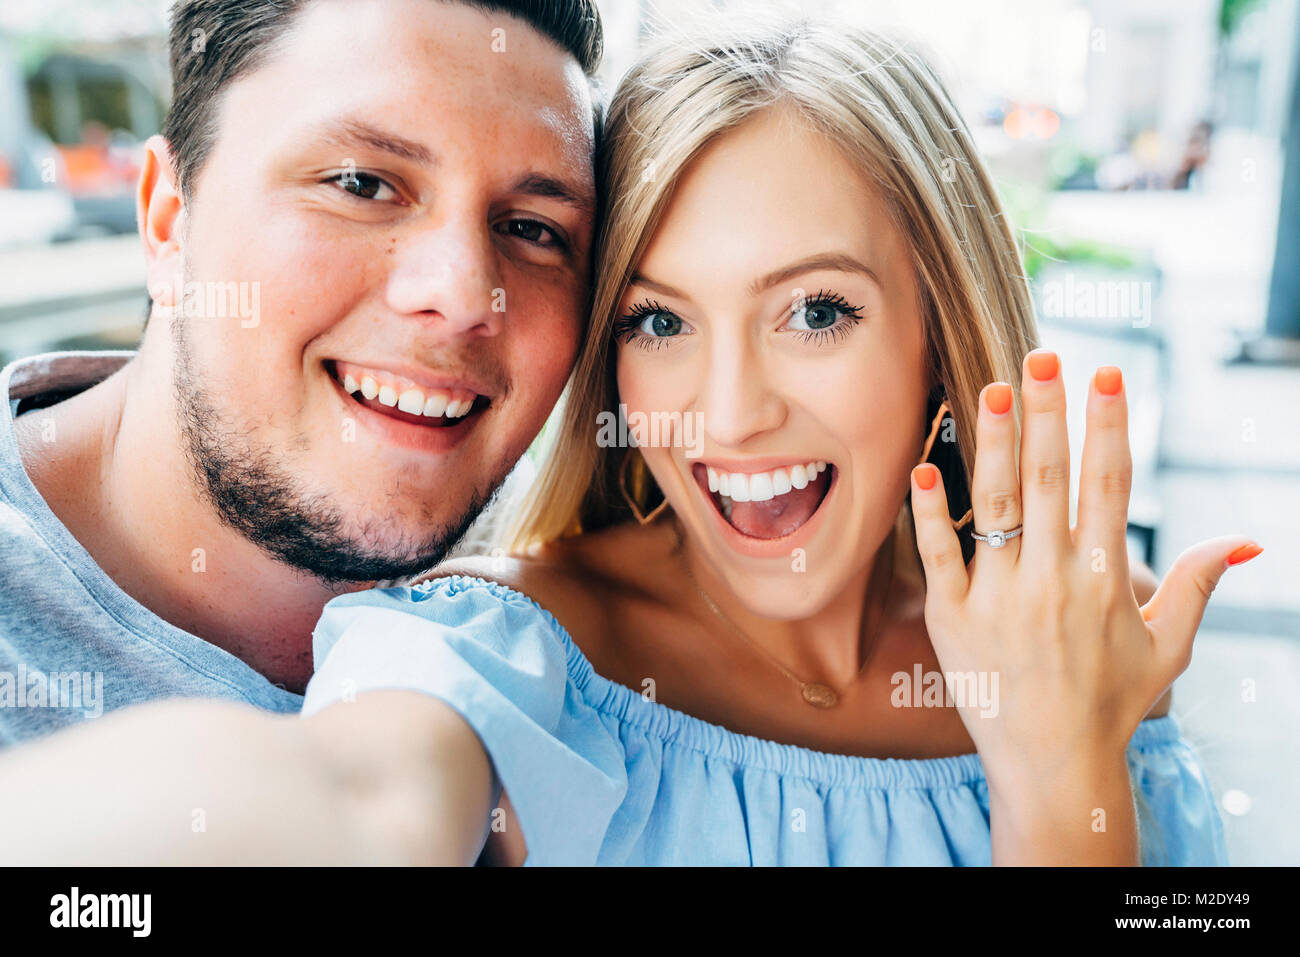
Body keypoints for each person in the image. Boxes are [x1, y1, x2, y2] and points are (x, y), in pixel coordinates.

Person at [0, 12, 1252, 867]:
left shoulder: (1087, 630)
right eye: (659, 318)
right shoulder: (501, 652)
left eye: (817, 311)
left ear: (940, 327)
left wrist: (1065, 762)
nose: (728, 412)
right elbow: (352, 798)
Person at [0, 0, 602, 746]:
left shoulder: (586, 624)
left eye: (532, 230)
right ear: (166, 219)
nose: (463, 294)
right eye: (361, 183)